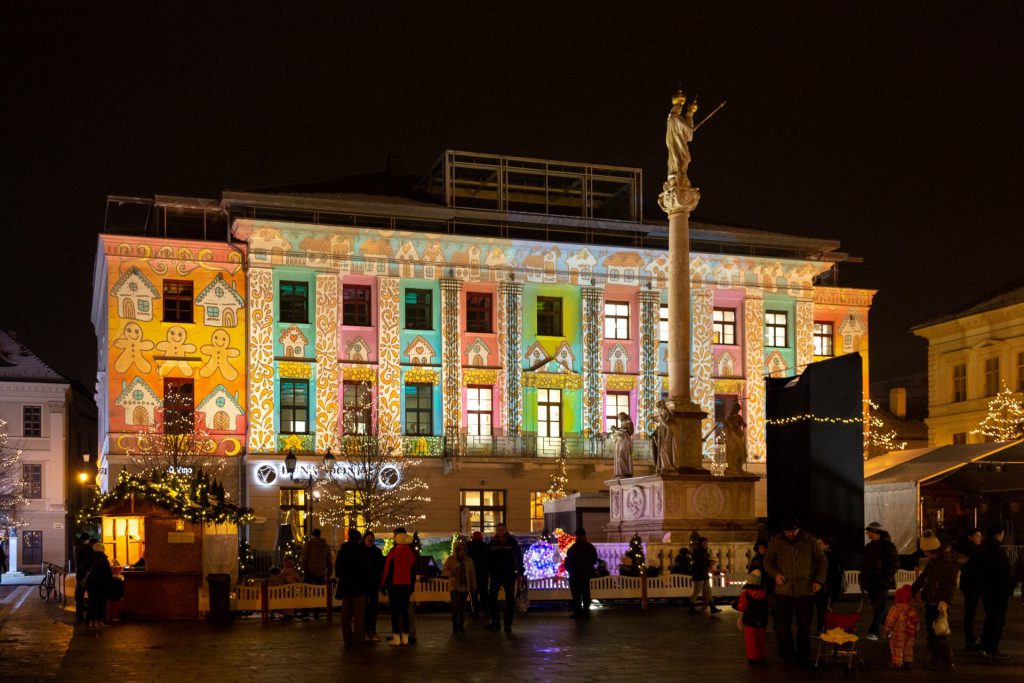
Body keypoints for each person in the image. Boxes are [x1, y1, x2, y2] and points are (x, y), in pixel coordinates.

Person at [763, 515, 827, 667]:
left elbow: (822, 560)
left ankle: (803, 655)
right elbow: (767, 561)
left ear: (799, 528)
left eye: (793, 530)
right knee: (783, 625)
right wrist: (775, 574)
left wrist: (818, 580)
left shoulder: (809, 540)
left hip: (805, 590)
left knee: (804, 625)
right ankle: (786, 654)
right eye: (787, 531)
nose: (791, 534)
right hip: (784, 590)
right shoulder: (777, 541)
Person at [911, 529, 965, 670]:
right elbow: (923, 577)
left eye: (927, 552)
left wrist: (945, 601)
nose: (925, 555)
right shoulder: (935, 561)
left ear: (934, 551)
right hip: (930, 599)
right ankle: (936, 660)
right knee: (931, 631)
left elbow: (950, 584)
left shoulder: (948, 563)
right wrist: (913, 589)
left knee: (940, 631)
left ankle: (947, 661)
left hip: (939, 602)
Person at [977, 523, 1012, 659]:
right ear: (999, 534)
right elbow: (1005, 571)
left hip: (986, 589)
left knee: (990, 617)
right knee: (997, 620)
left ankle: (985, 646)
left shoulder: (981, 549)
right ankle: (992, 648)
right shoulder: (997, 550)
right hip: (998, 590)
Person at [861, 521, 898, 640]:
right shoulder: (869, 546)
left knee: (879, 607)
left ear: (875, 532)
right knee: (879, 608)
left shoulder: (888, 546)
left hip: (882, 583)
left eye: (869, 531)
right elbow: (865, 565)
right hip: (871, 582)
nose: (867, 533)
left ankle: (874, 631)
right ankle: (892, 627)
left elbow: (894, 564)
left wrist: (886, 578)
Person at [335, 528, 371, 648]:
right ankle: (359, 639)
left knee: (346, 615)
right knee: (359, 616)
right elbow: (367, 570)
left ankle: (347, 639)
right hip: (360, 587)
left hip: (346, 587)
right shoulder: (363, 551)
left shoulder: (342, 551)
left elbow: (338, 570)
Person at [486, 522, 524, 633]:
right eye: (498, 530)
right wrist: (489, 570)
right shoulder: (492, 543)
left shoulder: (512, 542)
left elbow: (518, 557)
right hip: (496, 574)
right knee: (492, 598)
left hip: (509, 574)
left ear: (505, 530)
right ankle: (495, 622)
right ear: (496, 531)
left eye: (502, 530)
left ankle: (507, 624)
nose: (500, 532)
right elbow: (487, 558)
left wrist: (519, 572)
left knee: (509, 600)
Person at [380, 531, 417, 646]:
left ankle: (396, 637)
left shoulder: (393, 552)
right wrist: (411, 585)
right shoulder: (411, 553)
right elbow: (413, 572)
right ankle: (405, 638)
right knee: (405, 612)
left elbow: (387, 570)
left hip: (394, 586)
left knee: (395, 612)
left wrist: (383, 584)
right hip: (406, 585)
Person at [952, 527, 983, 651]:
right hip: (972, 584)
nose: (979, 538)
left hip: (968, 583)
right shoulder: (971, 550)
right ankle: (969, 640)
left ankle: (970, 638)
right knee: (970, 612)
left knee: (970, 612)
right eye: (977, 536)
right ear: (970, 537)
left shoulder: (966, 549)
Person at [735, 570, 770, 666]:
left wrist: (740, 619)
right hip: (761, 620)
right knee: (761, 638)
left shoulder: (746, 594)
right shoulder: (764, 594)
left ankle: (753, 658)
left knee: (751, 639)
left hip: (750, 620)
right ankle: (762, 656)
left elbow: (742, 607)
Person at [442, 540, 476, 634]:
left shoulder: (469, 560)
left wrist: (473, 586)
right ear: (456, 550)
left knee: (462, 608)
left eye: (463, 549)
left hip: (464, 587)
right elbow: (444, 571)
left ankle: (461, 625)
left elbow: (472, 574)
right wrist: (452, 572)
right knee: (455, 608)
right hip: (454, 587)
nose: (462, 551)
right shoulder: (451, 559)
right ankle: (455, 627)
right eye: (460, 549)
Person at [564, 528, 598, 619]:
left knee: (576, 594)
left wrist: (570, 569)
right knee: (586, 592)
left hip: (575, 574)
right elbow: (594, 559)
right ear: (584, 535)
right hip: (586, 574)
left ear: (576, 536)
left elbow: (567, 561)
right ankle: (586, 612)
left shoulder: (573, 548)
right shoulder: (590, 547)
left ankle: (578, 612)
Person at [814, 535, 845, 634]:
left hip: (827, 588)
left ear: (827, 545)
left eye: (819, 544)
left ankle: (821, 628)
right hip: (823, 587)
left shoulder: (831, 557)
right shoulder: (820, 556)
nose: (817, 546)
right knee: (822, 608)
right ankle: (824, 627)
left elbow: (835, 575)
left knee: (822, 609)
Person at [665, 90, 698, 184]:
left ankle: (681, 174)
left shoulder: (679, 119)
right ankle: (676, 174)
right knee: (679, 159)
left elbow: (688, 135)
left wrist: (690, 115)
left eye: (680, 108)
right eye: (679, 108)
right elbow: (686, 127)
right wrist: (689, 127)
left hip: (681, 143)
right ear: (675, 107)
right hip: (676, 144)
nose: (680, 110)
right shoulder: (672, 117)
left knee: (686, 158)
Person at [884, 585, 919, 670]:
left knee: (897, 647)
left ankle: (897, 663)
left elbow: (890, 621)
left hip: (898, 633)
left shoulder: (895, 609)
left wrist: (887, 631)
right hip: (910, 633)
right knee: (908, 648)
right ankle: (908, 662)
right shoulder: (912, 609)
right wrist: (916, 631)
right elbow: (916, 622)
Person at [83, 542, 113, 629]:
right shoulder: (103, 560)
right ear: (102, 549)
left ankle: (90, 621)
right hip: (101, 584)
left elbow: (84, 570)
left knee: (92, 601)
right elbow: (108, 573)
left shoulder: (89, 558)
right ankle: (98, 621)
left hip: (90, 584)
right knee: (100, 602)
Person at [688, 536, 721, 614]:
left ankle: (713, 607)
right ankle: (691, 608)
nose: (707, 544)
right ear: (702, 543)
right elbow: (699, 563)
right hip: (698, 573)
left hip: (703, 572)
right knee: (697, 591)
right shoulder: (697, 552)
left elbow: (703, 561)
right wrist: (709, 563)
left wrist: (709, 562)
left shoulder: (703, 551)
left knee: (708, 590)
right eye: (706, 543)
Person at [362, 531, 385, 642]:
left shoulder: (377, 552)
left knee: (373, 608)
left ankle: (372, 630)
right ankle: (365, 631)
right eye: (368, 538)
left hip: (373, 584)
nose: (370, 540)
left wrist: (380, 581)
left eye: (371, 538)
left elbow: (381, 568)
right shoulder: (361, 551)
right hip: (363, 585)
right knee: (364, 609)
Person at [466, 530, 489, 616]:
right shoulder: (485, 546)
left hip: (472, 573)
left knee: (473, 592)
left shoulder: (469, 546)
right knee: (484, 593)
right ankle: (485, 609)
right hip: (483, 573)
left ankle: (475, 610)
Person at [73, 532, 93, 623]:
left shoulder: (77, 548)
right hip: (88, 575)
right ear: (87, 539)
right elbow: (91, 562)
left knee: (79, 596)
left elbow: (77, 562)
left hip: (80, 576)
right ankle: (89, 615)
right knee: (91, 596)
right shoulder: (89, 549)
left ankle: (79, 616)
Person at [724, 403, 747, 474]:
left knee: (741, 452)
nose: (737, 411)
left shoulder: (739, 417)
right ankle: (733, 468)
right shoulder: (729, 418)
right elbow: (727, 427)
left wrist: (743, 424)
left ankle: (738, 467)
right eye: (737, 409)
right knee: (733, 452)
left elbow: (744, 425)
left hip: (738, 436)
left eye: (738, 410)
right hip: (732, 437)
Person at [654, 400, 676, 473]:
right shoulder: (666, 413)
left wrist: (667, 434)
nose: (658, 410)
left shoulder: (662, 414)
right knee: (666, 449)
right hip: (665, 432)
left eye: (658, 408)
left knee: (663, 450)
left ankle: (665, 465)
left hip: (664, 432)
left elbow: (666, 425)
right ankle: (666, 465)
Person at [611, 412, 634, 478]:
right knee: (618, 456)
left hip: (625, 441)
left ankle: (625, 472)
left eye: (619, 417)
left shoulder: (629, 422)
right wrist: (616, 430)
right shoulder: (623, 423)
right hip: (620, 441)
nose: (619, 418)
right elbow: (622, 430)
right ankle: (619, 472)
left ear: (623, 416)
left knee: (622, 455)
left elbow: (630, 432)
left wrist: (619, 430)